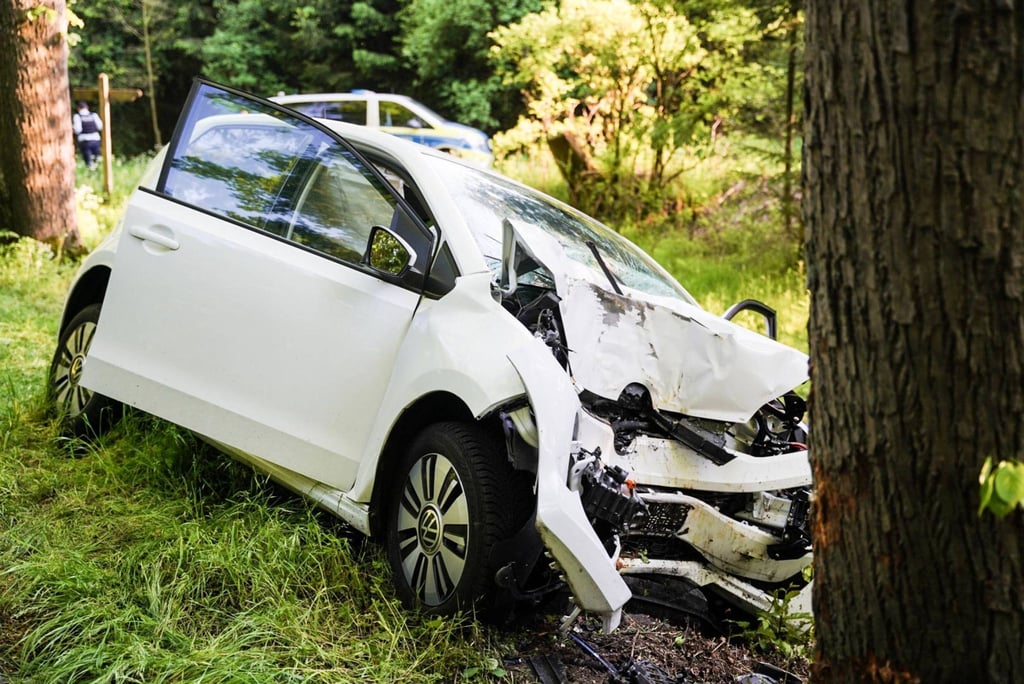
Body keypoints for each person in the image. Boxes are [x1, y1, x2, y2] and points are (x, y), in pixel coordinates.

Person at [72, 101, 103, 169]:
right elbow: (100, 126)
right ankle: (97, 172)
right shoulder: (94, 115)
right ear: (87, 107)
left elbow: (78, 130)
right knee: (97, 159)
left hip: (85, 141)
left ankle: (90, 173)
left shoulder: (77, 116)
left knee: (88, 161)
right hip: (96, 139)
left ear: (78, 108)